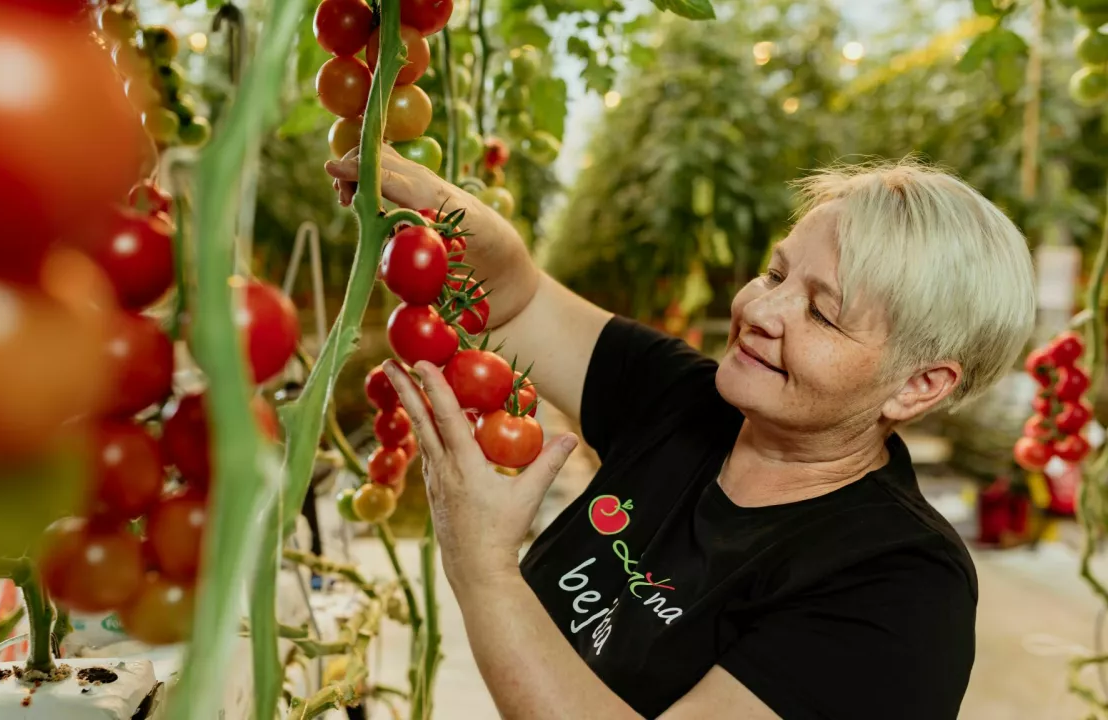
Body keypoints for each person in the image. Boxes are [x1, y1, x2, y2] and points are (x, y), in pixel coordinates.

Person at [325, 150, 1036, 719]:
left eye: (822, 313)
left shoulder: (901, 589)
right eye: (776, 273)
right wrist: (481, 241)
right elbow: (517, 305)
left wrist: (483, 568)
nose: (760, 310)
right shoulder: (685, 400)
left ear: (919, 385)